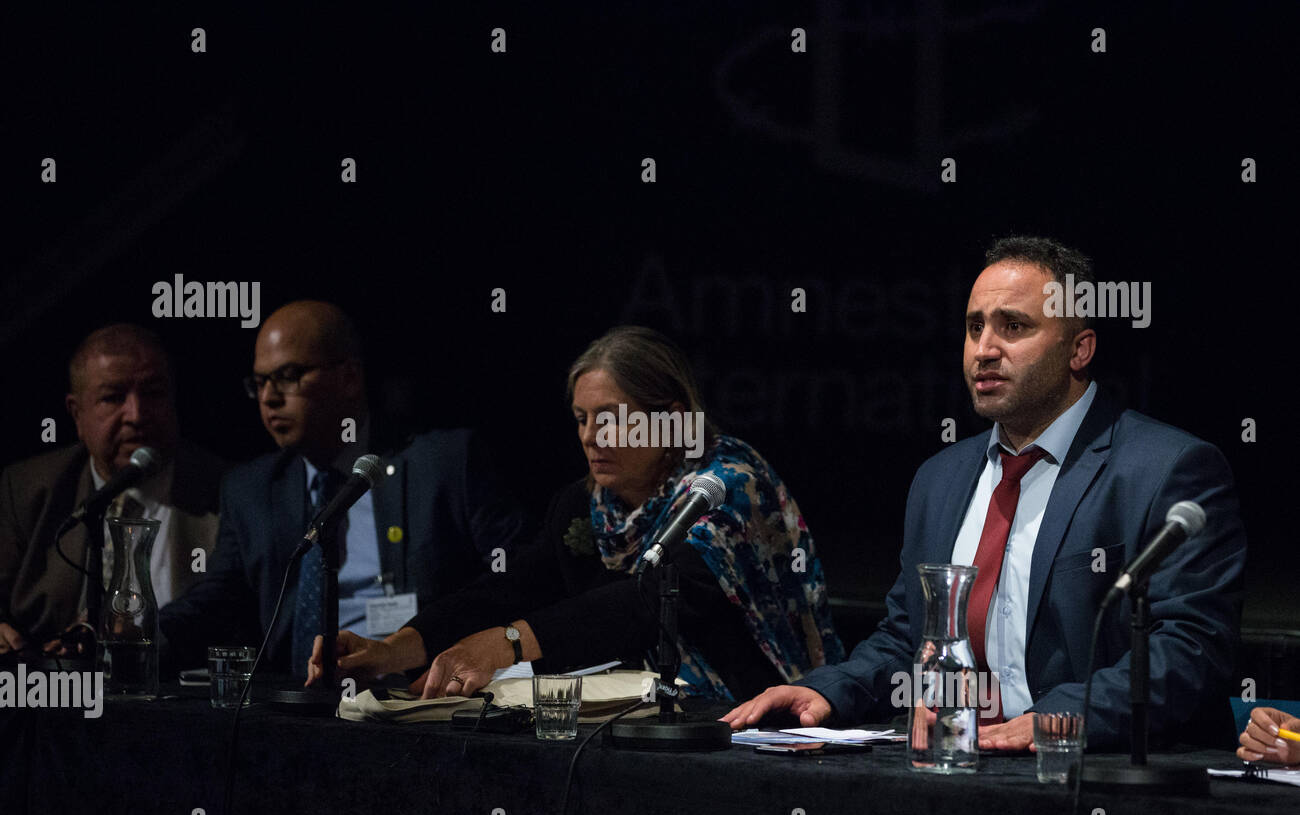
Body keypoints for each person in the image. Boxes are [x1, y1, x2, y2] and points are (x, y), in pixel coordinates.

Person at [723, 236, 1247, 751]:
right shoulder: (940, 478)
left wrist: (1054, 721)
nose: (984, 349)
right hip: (960, 762)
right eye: (975, 328)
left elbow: (1189, 648)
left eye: (1013, 327)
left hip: (1094, 778)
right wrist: (826, 690)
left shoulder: (1166, 470)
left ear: (1079, 349)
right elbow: (908, 638)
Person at [308, 325, 843, 702]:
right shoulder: (587, 505)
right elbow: (513, 588)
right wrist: (398, 647)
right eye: (581, 418)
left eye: (609, 418)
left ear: (672, 420)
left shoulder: (726, 488)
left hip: (754, 720)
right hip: (638, 725)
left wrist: (508, 643)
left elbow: (647, 600)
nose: (589, 436)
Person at [159, 300, 530, 676]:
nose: (270, 397)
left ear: (349, 378)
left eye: (288, 375)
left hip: (418, 693)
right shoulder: (250, 489)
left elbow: (517, 575)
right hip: (298, 701)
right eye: (260, 382)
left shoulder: (444, 464)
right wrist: (141, 631)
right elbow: (219, 598)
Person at [0, 324, 224, 657]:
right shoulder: (27, 488)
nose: (136, 414)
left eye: (153, 393)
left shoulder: (228, 490)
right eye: (113, 397)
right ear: (77, 414)